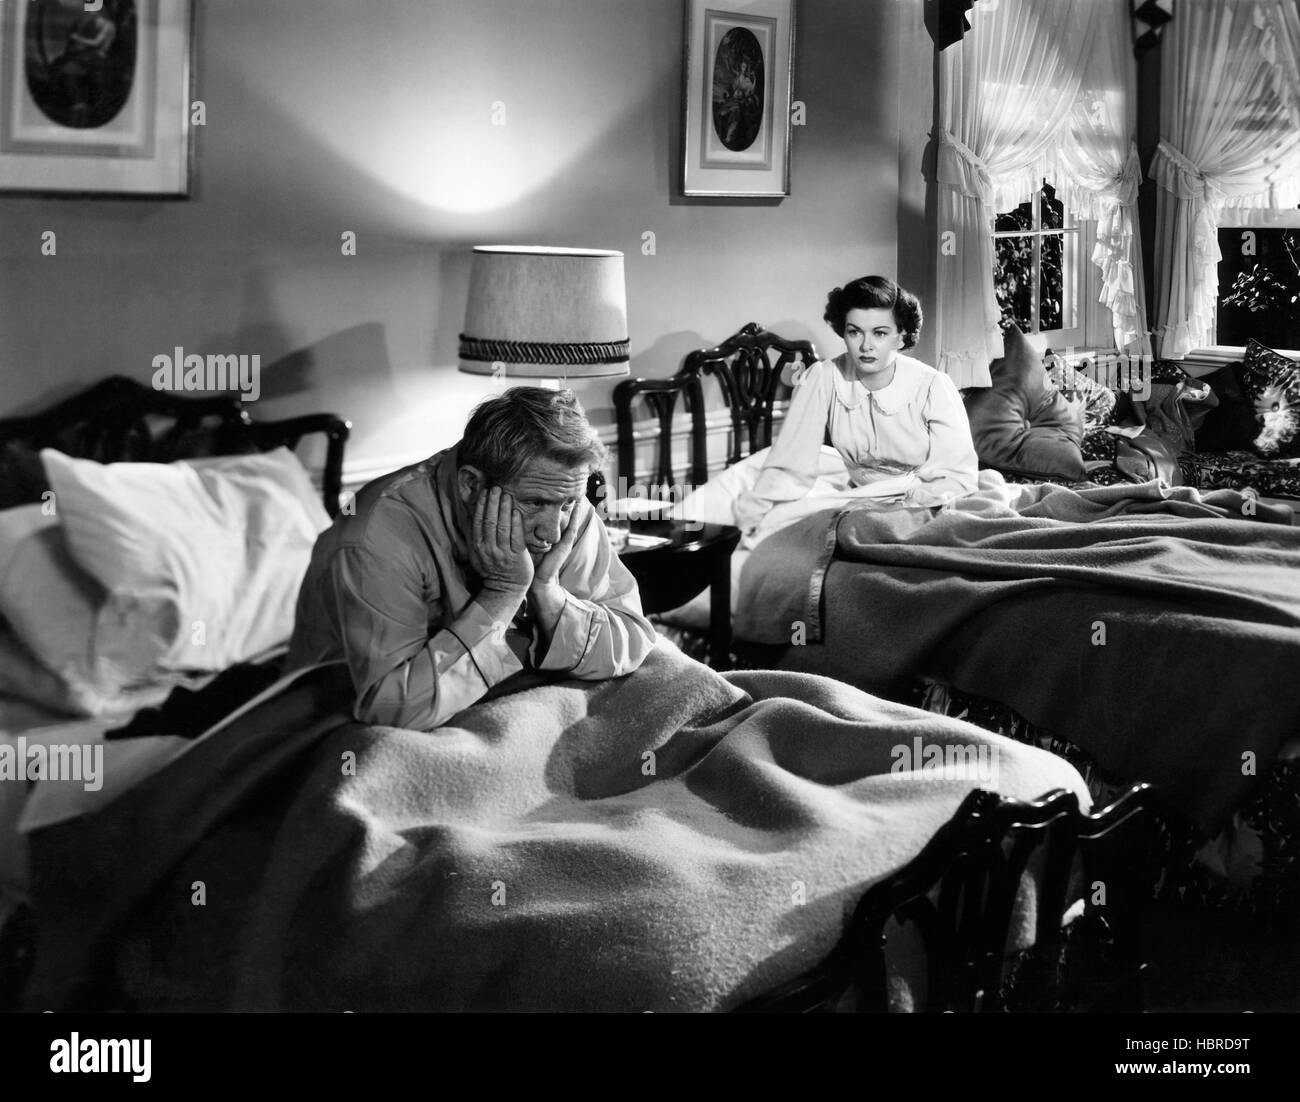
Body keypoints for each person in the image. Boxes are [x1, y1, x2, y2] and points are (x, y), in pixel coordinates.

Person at [287, 387, 657, 730]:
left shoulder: (561, 498)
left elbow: (633, 638)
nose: (553, 532)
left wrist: (547, 593)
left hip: (513, 695)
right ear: (470, 485)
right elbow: (392, 709)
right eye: (533, 504)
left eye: (568, 504)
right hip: (340, 713)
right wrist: (504, 593)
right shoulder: (374, 537)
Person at [734, 275, 979, 533]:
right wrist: (758, 513)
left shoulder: (932, 386)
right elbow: (791, 458)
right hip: (856, 495)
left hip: (921, 502)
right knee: (771, 520)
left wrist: (905, 506)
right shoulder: (822, 377)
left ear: (901, 336)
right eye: (854, 332)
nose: (865, 346)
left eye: (880, 333)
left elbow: (957, 478)